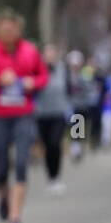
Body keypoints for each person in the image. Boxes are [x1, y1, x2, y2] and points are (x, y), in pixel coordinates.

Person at [0, 9, 48, 223]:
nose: (8, 32)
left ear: (18, 29)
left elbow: (43, 77)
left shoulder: (29, 51)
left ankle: (15, 217)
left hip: (22, 113)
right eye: (4, 29)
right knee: (1, 165)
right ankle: (4, 195)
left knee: (22, 161)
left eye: (12, 28)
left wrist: (31, 82)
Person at [33, 43, 70, 195]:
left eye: (52, 53)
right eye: (46, 54)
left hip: (58, 113)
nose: (49, 57)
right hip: (41, 114)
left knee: (55, 143)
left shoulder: (63, 69)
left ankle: (56, 176)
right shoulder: (37, 70)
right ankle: (50, 176)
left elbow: (69, 89)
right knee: (47, 145)